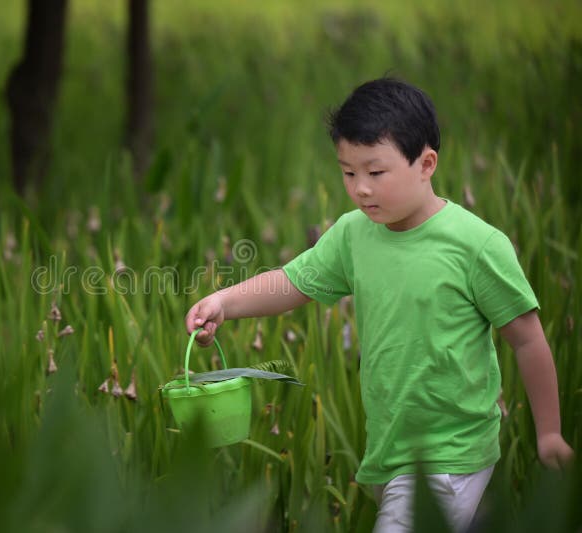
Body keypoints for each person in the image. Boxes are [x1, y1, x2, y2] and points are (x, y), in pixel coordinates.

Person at [184, 78, 574, 532]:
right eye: (349, 173)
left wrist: (548, 432)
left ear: (426, 163)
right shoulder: (354, 234)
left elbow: (527, 338)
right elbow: (293, 281)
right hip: (389, 449)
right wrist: (224, 302)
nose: (361, 189)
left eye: (376, 173)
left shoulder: (476, 246)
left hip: (448, 452)